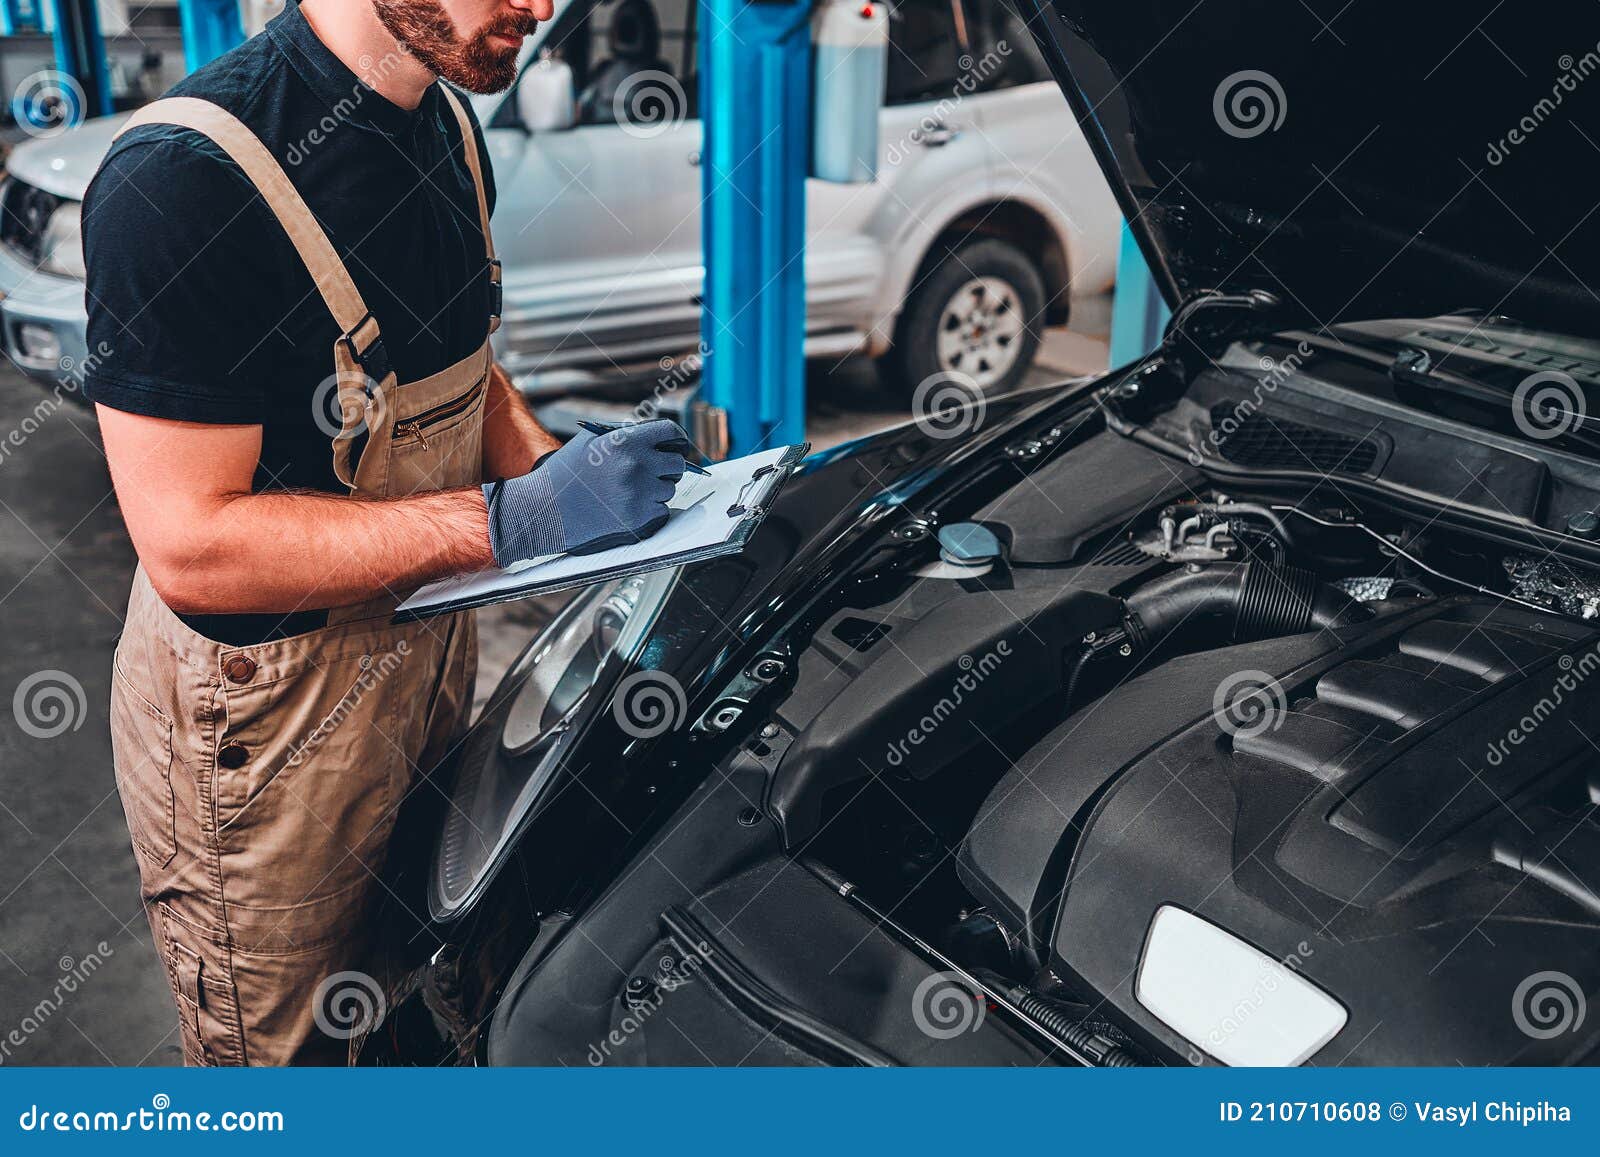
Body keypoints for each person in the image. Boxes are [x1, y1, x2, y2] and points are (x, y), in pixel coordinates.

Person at [82, 0, 689, 1064]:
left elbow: (460, 369)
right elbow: (190, 541)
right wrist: (517, 521)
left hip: (423, 650)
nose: (542, 9)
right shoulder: (182, 182)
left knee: (408, 994)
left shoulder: (448, 125)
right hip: (264, 719)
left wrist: (548, 467)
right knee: (294, 1063)